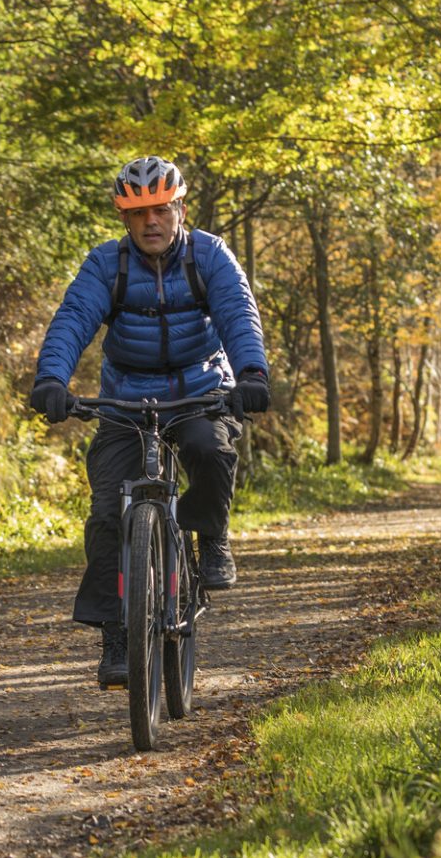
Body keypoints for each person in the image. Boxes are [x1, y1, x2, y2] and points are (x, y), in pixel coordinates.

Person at [30, 157, 272, 688]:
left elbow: (237, 312)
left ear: (179, 208)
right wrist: (51, 378)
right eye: (138, 213)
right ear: (124, 218)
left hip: (201, 389)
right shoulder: (106, 265)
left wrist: (251, 372)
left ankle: (211, 537)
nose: (150, 222)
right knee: (106, 513)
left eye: (160, 209)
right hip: (127, 398)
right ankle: (116, 635)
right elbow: (73, 319)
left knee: (210, 450)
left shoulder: (209, 256)